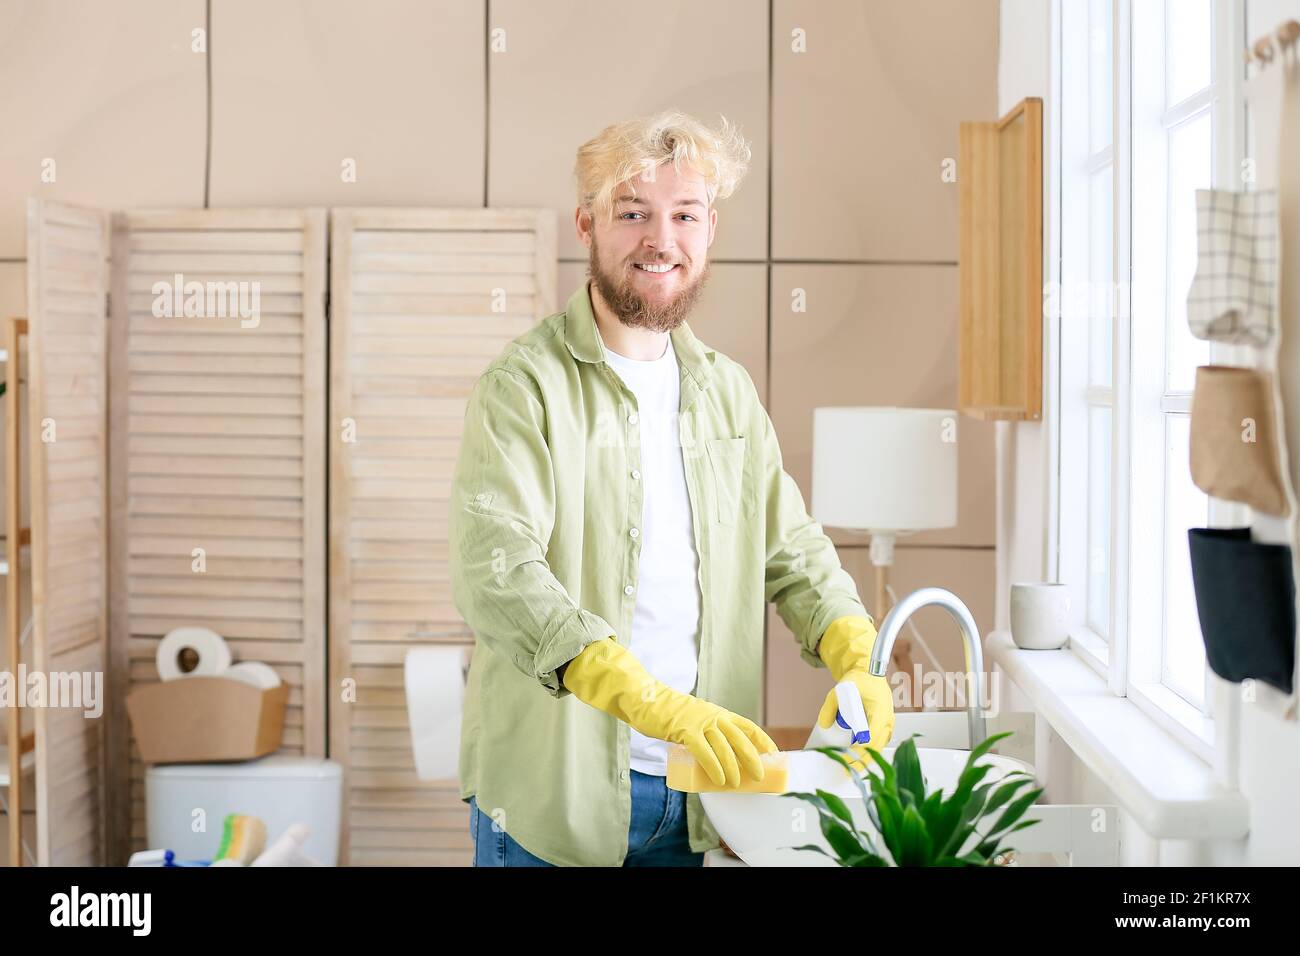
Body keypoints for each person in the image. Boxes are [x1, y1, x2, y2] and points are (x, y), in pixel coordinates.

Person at [451, 110, 895, 867]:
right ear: (586, 224)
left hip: (704, 795)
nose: (661, 240)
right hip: (553, 799)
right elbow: (497, 572)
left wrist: (855, 650)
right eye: (633, 214)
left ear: (710, 228)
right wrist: (646, 699)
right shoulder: (523, 387)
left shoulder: (726, 392)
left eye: (683, 214)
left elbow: (790, 550)